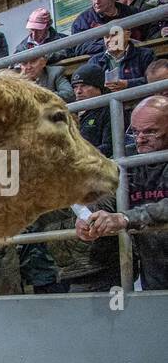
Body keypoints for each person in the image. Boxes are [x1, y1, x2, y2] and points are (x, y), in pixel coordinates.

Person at [78, 95, 168, 290]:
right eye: (134, 131)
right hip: (153, 265)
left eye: (151, 132)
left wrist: (125, 218)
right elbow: (110, 191)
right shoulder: (126, 156)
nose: (140, 139)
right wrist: (89, 216)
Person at [70, 0, 140, 56]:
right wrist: (108, 43)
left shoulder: (131, 12)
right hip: (102, 62)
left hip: (135, 56)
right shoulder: (82, 21)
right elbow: (78, 48)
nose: (96, 1)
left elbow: (150, 30)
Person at [86, 29, 155, 91]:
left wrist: (127, 84)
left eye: (113, 36)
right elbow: (89, 87)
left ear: (127, 35)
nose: (109, 40)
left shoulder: (145, 55)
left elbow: (154, 79)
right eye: (106, 37)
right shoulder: (95, 61)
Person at [72, 64, 113, 157]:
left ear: (99, 87)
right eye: (75, 87)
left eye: (84, 86)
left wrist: (81, 156)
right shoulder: (70, 112)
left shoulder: (110, 110)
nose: (78, 91)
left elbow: (110, 147)